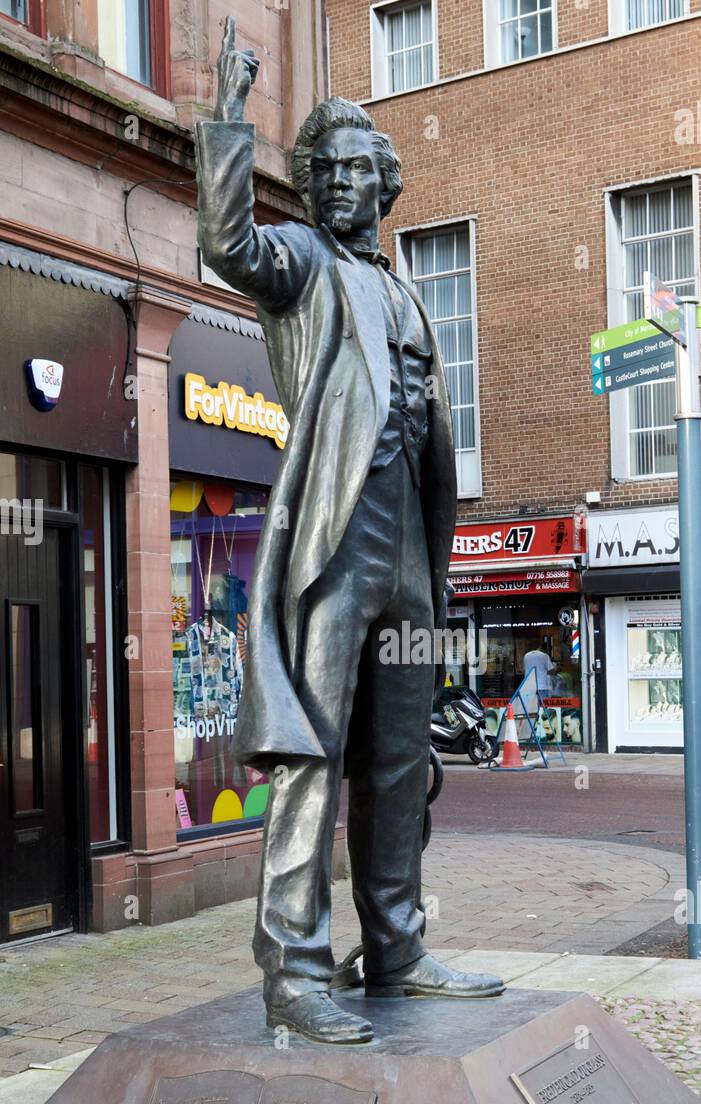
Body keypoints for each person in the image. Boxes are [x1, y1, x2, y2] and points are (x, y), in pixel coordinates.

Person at [194, 19, 503, 1045]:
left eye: (353, 169)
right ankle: (293, 967)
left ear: (386, 185)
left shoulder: (406, 289)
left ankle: (397, 946)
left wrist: (438, 567)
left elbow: (429, 439)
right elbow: (226, 244)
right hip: (336, 546)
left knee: (397, 761)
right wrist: (228, 124)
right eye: (319, 168)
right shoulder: (297, 265)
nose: (334, 183)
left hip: (410, 554)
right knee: (311, 758)